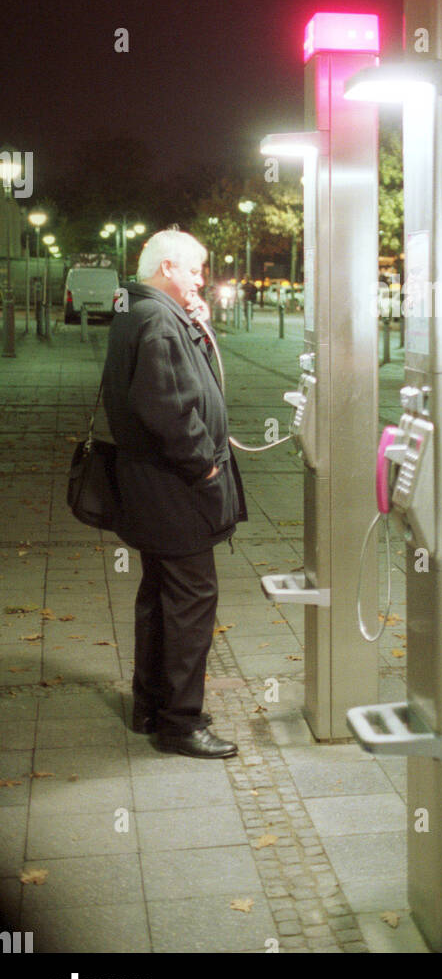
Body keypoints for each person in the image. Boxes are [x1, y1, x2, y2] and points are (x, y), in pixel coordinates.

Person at [103, 228, 247, 758]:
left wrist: (200, 328)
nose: (200, 279)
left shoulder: (139, 310)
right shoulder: (158, 319)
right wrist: (205, 466)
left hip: (151, 488)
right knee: (190, 603)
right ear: (168, 266)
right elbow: (163, 404)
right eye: (194, 269)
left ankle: (152, 705)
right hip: (176, 489)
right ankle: (181, 723)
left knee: (159, 599)